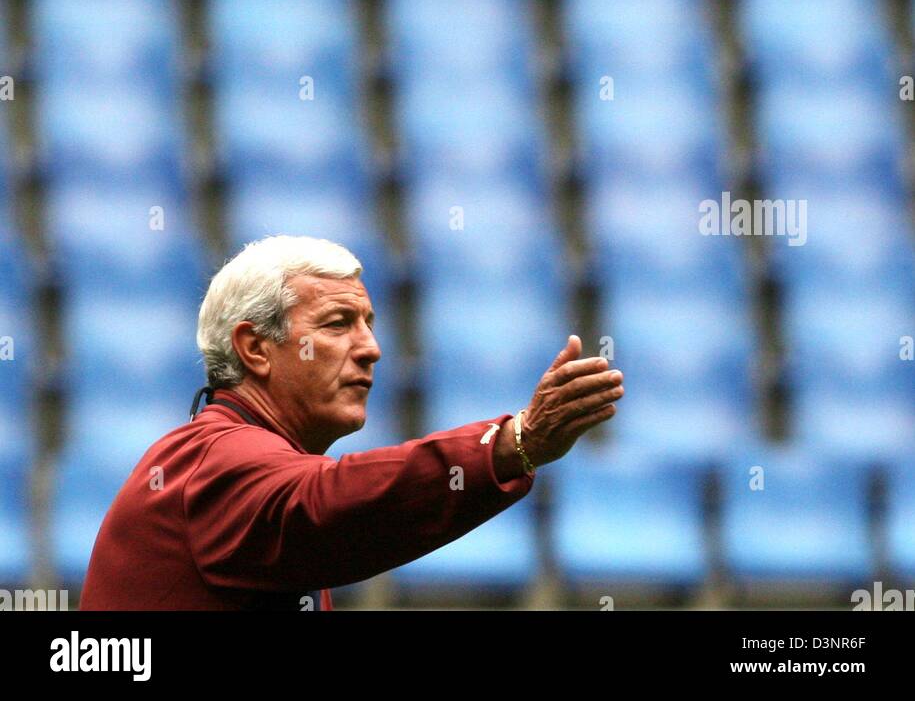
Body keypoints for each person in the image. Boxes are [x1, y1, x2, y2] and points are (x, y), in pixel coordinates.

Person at [80, 235, 624, 610]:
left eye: (368, 324)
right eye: (339, 324)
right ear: (254, 348)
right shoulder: (216, 461)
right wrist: (511, 444)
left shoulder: (232, 456)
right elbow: (331, 503)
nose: (372, 349)